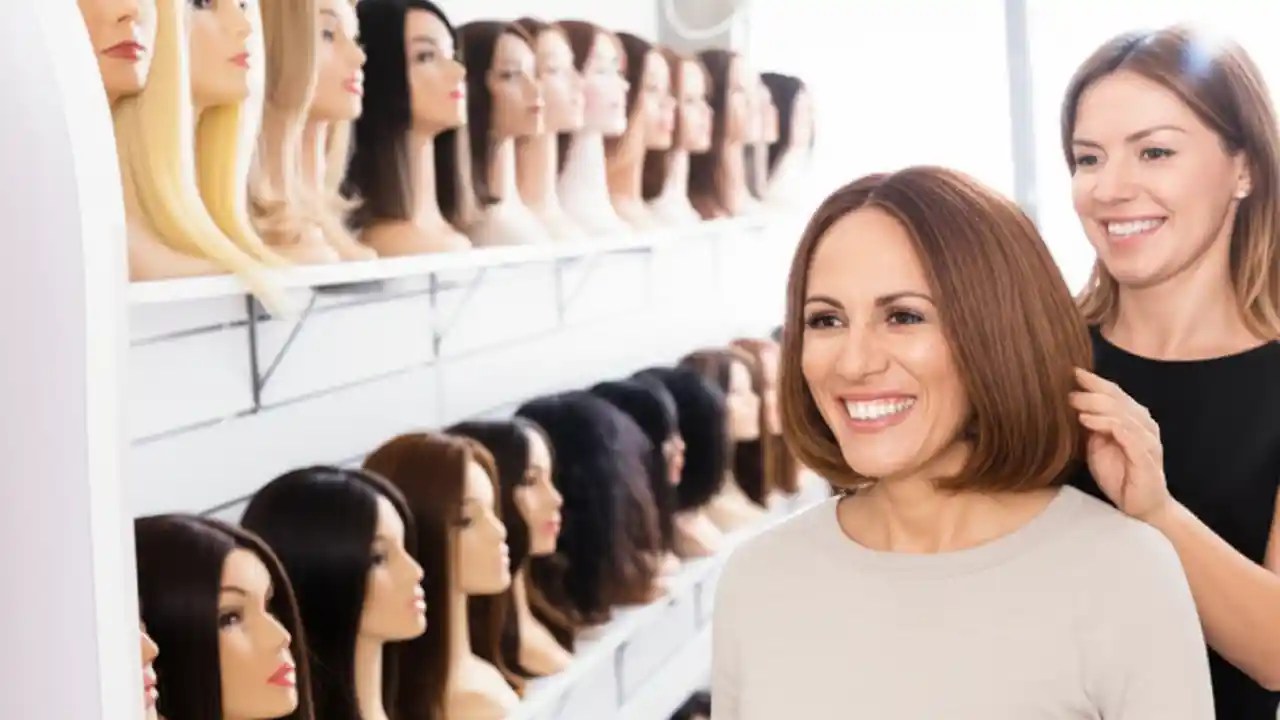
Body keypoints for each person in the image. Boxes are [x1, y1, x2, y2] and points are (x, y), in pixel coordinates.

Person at [710, 166, 1214, 719]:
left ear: (997, 333)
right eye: (826, 320)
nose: (853, 363)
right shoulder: (757, 581)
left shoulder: (1122, 574)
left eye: (903, 317)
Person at [1062, 25, 1280, 718]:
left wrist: (1154, 512)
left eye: (1154, 151)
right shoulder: (1036, 357)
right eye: (1088, 158)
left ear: (1245, 168)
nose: (1110, 188)